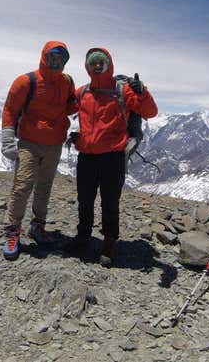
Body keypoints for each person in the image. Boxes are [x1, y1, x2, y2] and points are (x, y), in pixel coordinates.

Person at [66, 47, 157, 267]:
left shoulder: (123, 91)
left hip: (113, 156)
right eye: (94, 62)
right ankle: (83, 235)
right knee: (85, 199)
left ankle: (109, 241)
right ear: (87, 66)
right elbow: (65, 108)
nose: (98, 65)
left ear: (109, 64)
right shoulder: (83, 92)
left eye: (102, 62)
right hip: (87, 155)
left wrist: (142, 93)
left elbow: (150, 112)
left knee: (110, 201)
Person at [0, 41, 77, 260]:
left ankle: (38, 226)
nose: (56, 61)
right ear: (45, 57)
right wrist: (7, 141)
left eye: (61, 58)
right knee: (22, 186)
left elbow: (70, 106)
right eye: (53, 57)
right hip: (29, 142)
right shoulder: (26, 81)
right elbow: (10, 110)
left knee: (44, 186)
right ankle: (12, 231)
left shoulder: (66, 82)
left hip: (55, 143)